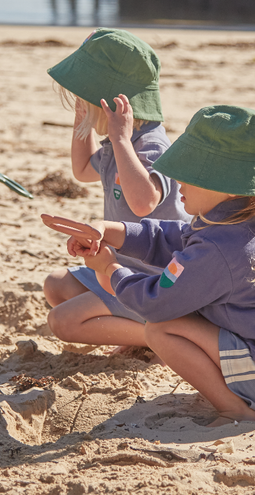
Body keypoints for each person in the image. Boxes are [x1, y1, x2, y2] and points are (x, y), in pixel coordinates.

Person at [48, 106, 255, 424]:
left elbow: (156, 303)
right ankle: (242, 391)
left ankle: (235, 409)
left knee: (162, 330)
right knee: (173, 322)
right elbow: (174, 239)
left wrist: (110, 269)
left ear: (226, 184)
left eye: (191, 174)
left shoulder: (222, 249)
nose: (178, 179)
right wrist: (111, 230)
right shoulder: (242, 218)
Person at [42, 28, 189, 351]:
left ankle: (161, 338)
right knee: (56, 285)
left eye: (85, 98)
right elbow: (82, 171)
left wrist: (122, 140)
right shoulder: (114, 145)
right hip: (122, 271)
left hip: (154, 280)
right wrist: (84, 119)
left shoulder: (151, 145)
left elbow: (142, 203)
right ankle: (144, 332)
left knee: (62, 322)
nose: (79, 102)